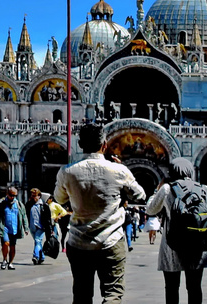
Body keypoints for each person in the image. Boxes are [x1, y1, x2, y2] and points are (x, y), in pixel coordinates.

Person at [53, 121, 146, 304]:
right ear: (104, 145)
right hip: (111, 241)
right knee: (112, 294)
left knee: (81, 295)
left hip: (79, 242)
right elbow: (140, 195)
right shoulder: (119, 170)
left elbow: (59, 199)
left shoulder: (67, 172)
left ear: (80, 144)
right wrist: (123, 171)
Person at [145, 157, 207, 304]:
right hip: (197, 244)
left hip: (172, 245)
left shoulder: (167, 189)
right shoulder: (205, 189)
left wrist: (156, 191)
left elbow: (150, 210)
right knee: (195, 287)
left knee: (172, 287)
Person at [0, 187, 22, 270]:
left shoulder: (18, 204)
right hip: (4, 228)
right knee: (6, 243)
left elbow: (23, 215)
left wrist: (26, 228)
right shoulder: (2, 204)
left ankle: (10, 263)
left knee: (13, 246)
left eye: (14, 195)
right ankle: (4, 260)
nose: (12, 197)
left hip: (14, 228)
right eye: (11, 195)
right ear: (7, 194)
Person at [28, 188, 52, 265]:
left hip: (41, 227)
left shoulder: (44, 206)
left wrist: (50, 229)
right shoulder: (29, 204)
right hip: (32, 227)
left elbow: (48, 219)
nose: (33, 197)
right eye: (32, 195)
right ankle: (42, 257)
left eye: (34, 196)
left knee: (37, 241)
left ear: (39, 196)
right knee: (38, 242)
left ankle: (36, 256)